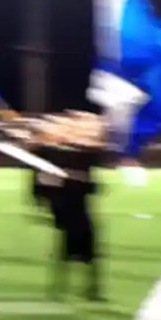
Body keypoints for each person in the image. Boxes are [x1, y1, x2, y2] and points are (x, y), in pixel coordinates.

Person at [47, 112, 105, 301]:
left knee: (91, 253)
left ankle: (93, 289)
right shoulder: (59, 153)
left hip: (82, 209)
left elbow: (93, 185)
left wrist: (75, 177)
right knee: (64, 251)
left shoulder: (85, 154)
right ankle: (59, 288)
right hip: (68, 209)